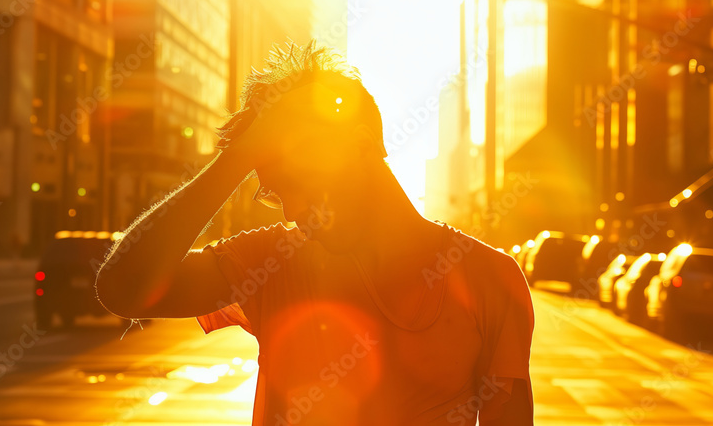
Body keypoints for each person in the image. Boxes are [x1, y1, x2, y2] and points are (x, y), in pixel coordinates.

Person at [95, 41, 534, 425]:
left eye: (299, 181)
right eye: (274, 192)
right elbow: (123, 288)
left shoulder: (491, 280)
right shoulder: (274, 262)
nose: (291, 209)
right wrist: (240, 156)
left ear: (362, 147)